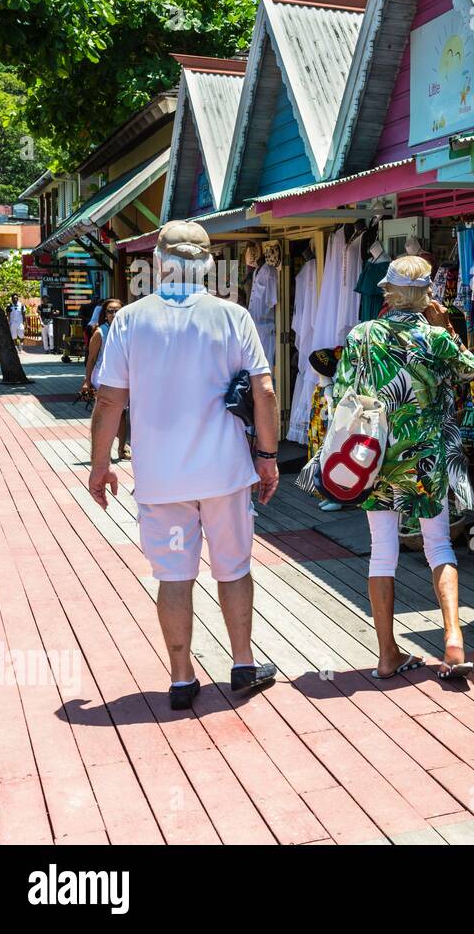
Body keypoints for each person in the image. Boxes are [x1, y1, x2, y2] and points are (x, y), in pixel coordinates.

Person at [88, 221, 279, 710]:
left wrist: (101, 464)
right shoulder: (232, 317)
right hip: (224, 474)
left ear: (157, 262)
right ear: (208, 264)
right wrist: (268, 458)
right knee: (233, 569)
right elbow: (265, 391)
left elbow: (109, 400)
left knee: (173, 576)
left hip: (161, 479)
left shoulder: (130, 319)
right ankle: (242, 663)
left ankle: (180, 677)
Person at [332, 254, 474, 680]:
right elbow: (471, 370)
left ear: (389, 293)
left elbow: (342, 391)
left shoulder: (362, 335)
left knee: (383, 551)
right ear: (426, 295)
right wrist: (446, 326)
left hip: (375, 455)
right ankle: (453, 640)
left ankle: (387, 654)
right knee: (439, 545)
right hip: (427, 455)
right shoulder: (436, 338)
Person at [81, 298, 129, 460]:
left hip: (122, 376)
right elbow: (92, 358)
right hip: (103, 378)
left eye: (117, 310)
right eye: (110, 311)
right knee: (106, 414)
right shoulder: (100, 332)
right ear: (105, 314)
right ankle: (102, 452)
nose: (114, 314)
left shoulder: (128, 330)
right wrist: (87, 381)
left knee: (122, 414)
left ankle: (122, 449)